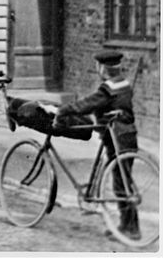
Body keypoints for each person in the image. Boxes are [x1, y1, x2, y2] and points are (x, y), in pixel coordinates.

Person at [57, 50, 139, 239]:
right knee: (124, 181)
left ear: (103, 68)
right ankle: (127, 226)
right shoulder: (123, 84)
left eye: (98, 66)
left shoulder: (107, 88)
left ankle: (132, 229)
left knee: (121, 185)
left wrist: (65, 110)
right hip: (128, 135)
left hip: (117, 137)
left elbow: (86, 104)